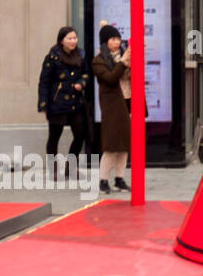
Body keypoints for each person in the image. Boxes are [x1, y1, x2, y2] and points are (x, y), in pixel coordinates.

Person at [37, 26, 91, 179]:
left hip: (76, 101)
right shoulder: (52, 57)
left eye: (75, 38)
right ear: (62, 41)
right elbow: (44, 82)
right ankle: (53, 170)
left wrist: (82, 82)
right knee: (55, 136)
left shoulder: (80, 55)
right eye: (70, 38)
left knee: (80, 134)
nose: (73, 41)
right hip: (57, 102)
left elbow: (87, 74)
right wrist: (43, 103)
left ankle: (70, 169)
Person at [91, 23, 132, 194]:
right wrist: (123, 63)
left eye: (118, 38)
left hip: (128, 100)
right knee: (111, 144)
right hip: (112, 105)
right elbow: (110, 78)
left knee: (124, 144)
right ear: (105, 42)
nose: (117, 42)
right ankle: (103, 179)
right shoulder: (99, 60)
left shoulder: (125, 55)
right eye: (113, 39)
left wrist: (130, 63)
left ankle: (120, 178)